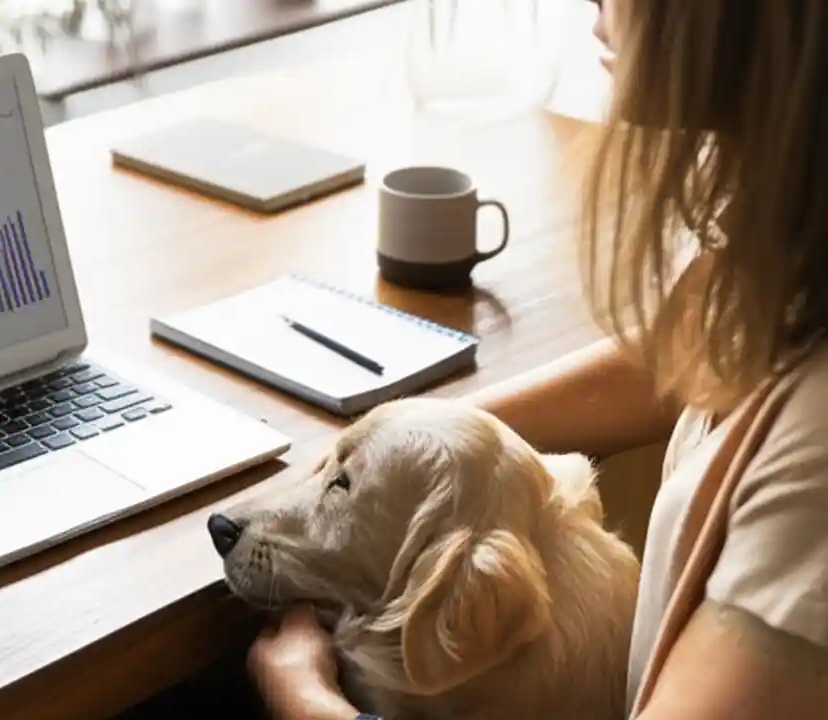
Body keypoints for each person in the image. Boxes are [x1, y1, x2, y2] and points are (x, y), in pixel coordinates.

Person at [247, 0, 828, 718]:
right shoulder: (787, 258)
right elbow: (680, 364)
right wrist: (405, 450)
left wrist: (301, 699)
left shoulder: (812, 475)